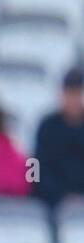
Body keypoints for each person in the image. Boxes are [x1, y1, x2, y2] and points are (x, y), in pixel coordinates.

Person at [33, 67, 84, 208]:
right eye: (70, 93)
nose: (74, 100)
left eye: (78, 94)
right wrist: (60, 196)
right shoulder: (47, 126)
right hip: (53, 202)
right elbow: (36, 167)